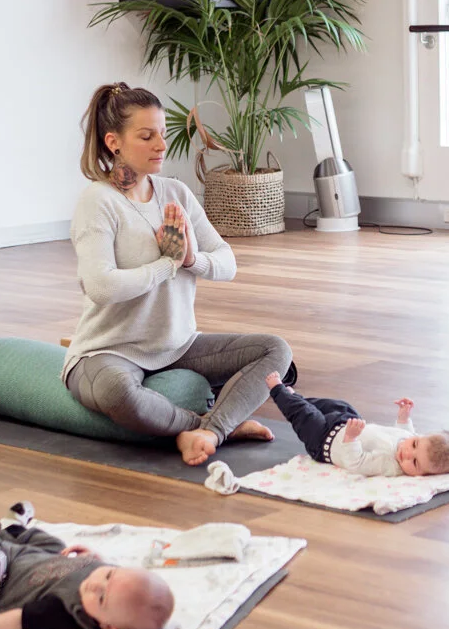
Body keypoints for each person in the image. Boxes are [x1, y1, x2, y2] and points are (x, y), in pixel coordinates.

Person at [63, 83, 291, 467]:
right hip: (107, 350)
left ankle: (209, 432)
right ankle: (210, 425)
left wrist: (189, 260)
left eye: (163, 135)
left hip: (179, 345)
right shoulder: (98, 201)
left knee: (275, 349)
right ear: (113, 142)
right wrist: (166, 265)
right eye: (146, 136)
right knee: (119, 394)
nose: (160, 145)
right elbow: (101, 287)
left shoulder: (176, 193)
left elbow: (227, 262)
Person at [0, 497, 173, 629]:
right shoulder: (114, 580)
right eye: (108, 575)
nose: (96, 585)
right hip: (36, 558)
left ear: (108, 627)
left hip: (0, 581)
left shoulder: (68, 613)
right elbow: (107, 571)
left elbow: (19, 620)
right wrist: (93, 557)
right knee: (57, 545)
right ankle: (10, 529)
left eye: (102, 598)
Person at [265, 371, 449, 477]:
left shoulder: (389, 465)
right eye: (415, 444)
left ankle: (278, 391)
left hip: (324, 441)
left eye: (414, 463)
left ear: (422, 476)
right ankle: (298, 398)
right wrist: (404, 417)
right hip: (346, 424)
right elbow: (404, 433)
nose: (407, 453)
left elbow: (356, 463)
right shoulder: (407, 440)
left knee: (305, 415)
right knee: (340, 405)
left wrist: (351, 438)